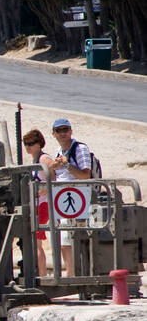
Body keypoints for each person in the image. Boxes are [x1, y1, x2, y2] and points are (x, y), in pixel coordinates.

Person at [49, 117, 93, 276]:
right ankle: (70, 273)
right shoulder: (59, 152)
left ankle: (76, 274)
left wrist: (67, 165)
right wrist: (53, 167)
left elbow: (85, 175)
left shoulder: (79, 149)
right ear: (53, 133)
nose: (62, 133)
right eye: (59, 130)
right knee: (63, 239)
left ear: (71, 131)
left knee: (72, 238)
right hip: (62, 198)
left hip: (77, 198)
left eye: (65, 130)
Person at [22, 129, 56, 277]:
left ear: (39, 144)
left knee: (36, 241)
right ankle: (39, 273)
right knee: (35, 241)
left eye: (31, 143)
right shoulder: (36, 160)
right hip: (37, 203)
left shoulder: (44, 159)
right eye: (26, 144)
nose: (28, 147)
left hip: (42, 204)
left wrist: (39, 191)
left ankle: (41, 274)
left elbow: (52, 180)